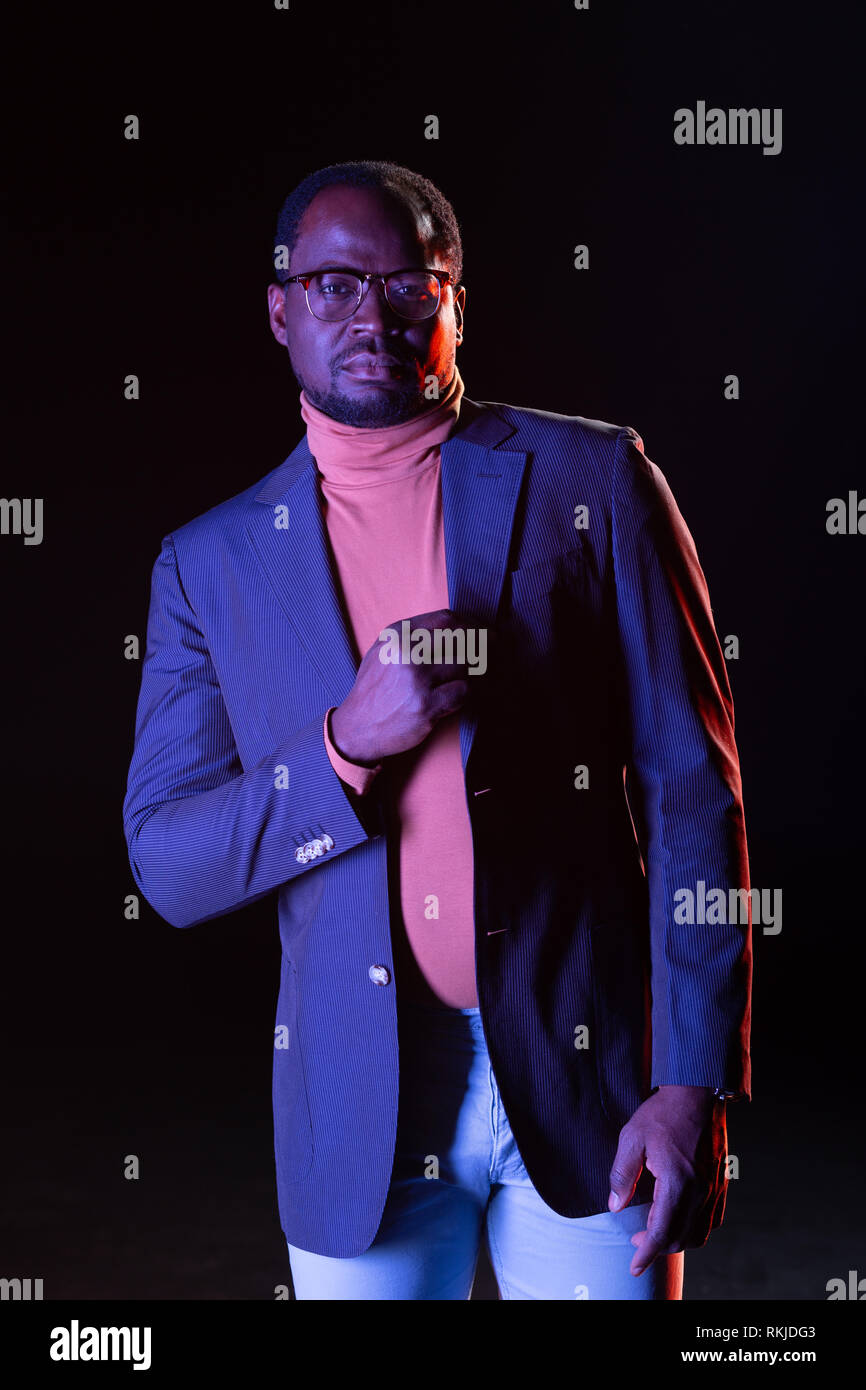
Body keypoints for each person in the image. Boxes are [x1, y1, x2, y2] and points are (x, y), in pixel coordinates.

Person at [123, 159, 752, 1300]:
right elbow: (167, 861)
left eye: (410, 282)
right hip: (359, 1103)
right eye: (332, 285)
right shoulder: (205, 565)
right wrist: (341, 747)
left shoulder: (594, 477)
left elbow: (691, 788)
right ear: (280, 310)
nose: (373, 315)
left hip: (592, 1082)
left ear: (456, 300)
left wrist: (691, 1080)